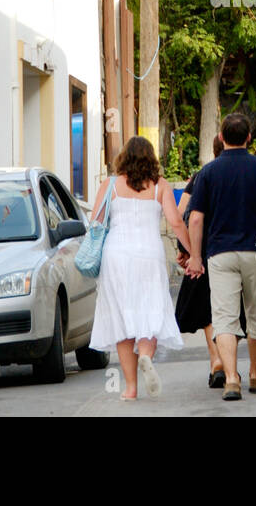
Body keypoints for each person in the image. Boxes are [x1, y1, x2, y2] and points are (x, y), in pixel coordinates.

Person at [187, 113, 256, 402]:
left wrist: (195, 256)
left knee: (224, 319)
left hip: (220, 251)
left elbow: (195, 219)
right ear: (248, 138)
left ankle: (232, 378)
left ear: (221, 138)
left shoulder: (208, 173)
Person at [88, 136, 193, 401]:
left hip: (116, 257)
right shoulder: (160, 186)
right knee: (151, 310)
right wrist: (193, 252)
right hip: (149, 254)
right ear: (151, 159)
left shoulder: (110, 185)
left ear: (124, 158)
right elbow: (176, 222)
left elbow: (95, 221)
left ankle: (131, 388)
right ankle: (146, 356)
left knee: (123, 319)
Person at [174, 134, 241, 388]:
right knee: (231, 308)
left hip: (203, 249)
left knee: (208, 310)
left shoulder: (201, 175)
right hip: (234, 248)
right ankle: (228, 362)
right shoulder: (240, 173)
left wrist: (187, 250)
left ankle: (216, 361)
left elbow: (183, 214)